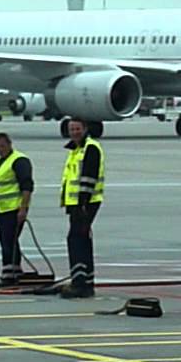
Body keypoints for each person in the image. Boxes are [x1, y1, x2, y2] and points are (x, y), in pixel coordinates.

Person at [59, 117, 104, 299]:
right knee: (81, 239)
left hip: (86, 202)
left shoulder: (90, 148)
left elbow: (88, 177)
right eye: (72, 129)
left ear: (85, 129)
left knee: (76, 239)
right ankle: (86, 281)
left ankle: (80, 283)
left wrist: (83, 203)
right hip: (76, 203)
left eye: (77, 129)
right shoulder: (76, 150)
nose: (74, 132)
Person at [0, 132, 34, 288]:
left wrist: (24, 208)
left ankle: (10, 273)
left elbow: (27, 186)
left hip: (14, 208)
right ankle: (13, 270)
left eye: (2, 146)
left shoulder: (19, 161)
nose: (0, 149)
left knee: (9, 241)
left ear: (9, 144)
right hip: (1, 209)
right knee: (6, 241)